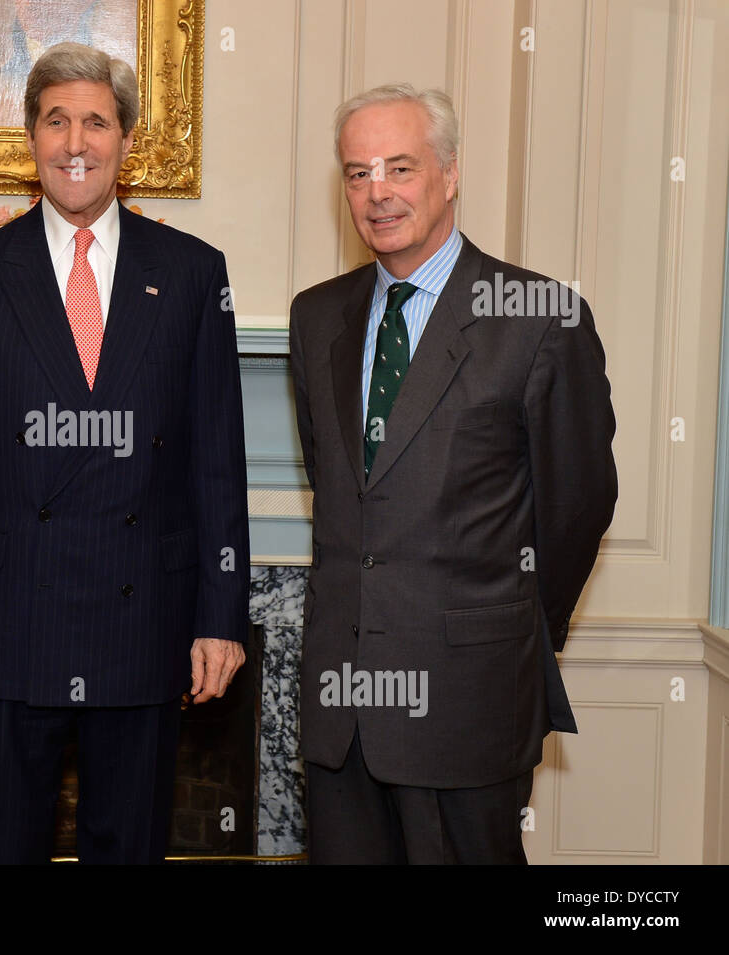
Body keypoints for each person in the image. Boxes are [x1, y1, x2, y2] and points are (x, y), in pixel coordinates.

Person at [0, 43, 250, 864]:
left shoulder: (196, 275)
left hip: (143, 628)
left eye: (96, 121)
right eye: (56, 120)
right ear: (30, 137)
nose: (76, 141)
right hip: (4, 630)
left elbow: (217, 462)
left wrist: (222, 614)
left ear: (127, 141)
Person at [289, 84, 618, 863]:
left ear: (450, 172)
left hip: (468, 702)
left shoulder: (538, 317)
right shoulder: (316, 316)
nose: (377, 193)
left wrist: (502, 633)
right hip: (342, 712)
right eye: (357, 172)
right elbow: (344, 493)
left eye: (399, 168)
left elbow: (576, 509)